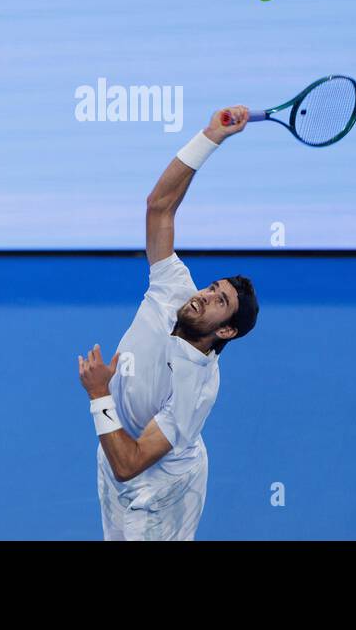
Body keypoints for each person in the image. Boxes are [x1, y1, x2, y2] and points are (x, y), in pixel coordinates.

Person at [77, 105, 260, 540]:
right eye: (212, 286)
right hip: (119, 443)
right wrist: (211, 136)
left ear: (226, 331)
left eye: (220, 301)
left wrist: (99, 393)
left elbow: (130, 464)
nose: (204, 295)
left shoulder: (193, 390)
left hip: (157, 488)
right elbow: (159, 206)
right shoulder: (175, 290)